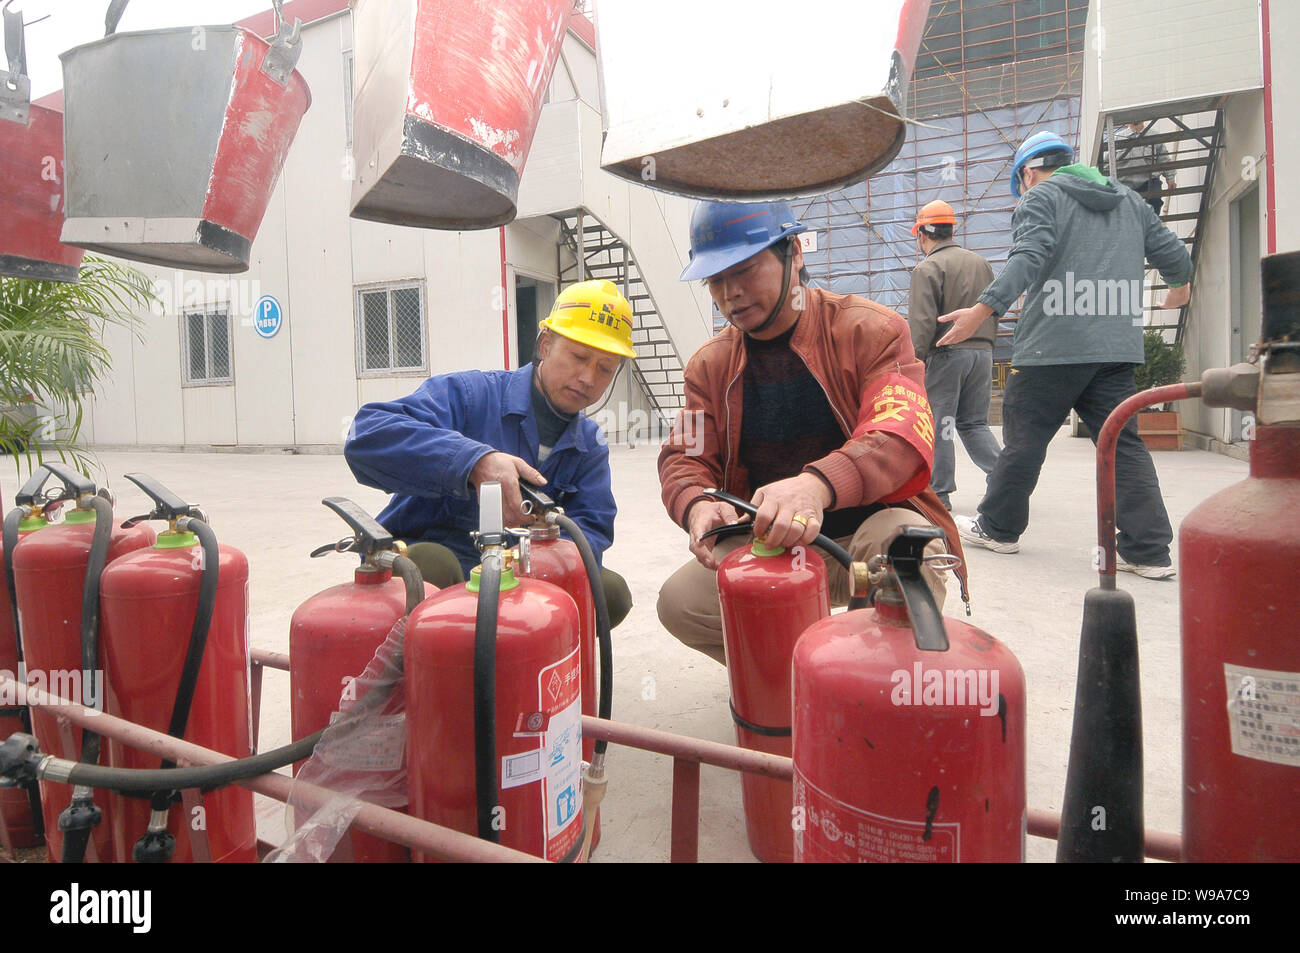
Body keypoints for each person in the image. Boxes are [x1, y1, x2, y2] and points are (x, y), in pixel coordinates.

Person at [656, 200, 967, 664]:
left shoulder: (871, 330)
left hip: (865, 538)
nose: (729, 294)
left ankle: (877, 686)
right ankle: (792, 685)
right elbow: (686, 456)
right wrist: (696, 502)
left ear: (794, 252)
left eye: (744, 270)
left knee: (907, 545)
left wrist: (815, 485)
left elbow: (899, 432)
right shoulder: (709, 365)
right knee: (681, 602)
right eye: (715, 280)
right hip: (770, 542)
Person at [937, 131, 1193, 579]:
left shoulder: (1041, 198)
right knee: (1121, 444)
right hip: (1114, 349)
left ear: (1028, 173)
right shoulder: (1130, 201)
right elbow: (1174, 255)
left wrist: (981, 312)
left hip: (1051, 347)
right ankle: (1148, 551)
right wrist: (1180, 288)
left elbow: (1027, 258)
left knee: (1025, 440)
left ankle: (998, 529)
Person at [344, 278, 635, 621]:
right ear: (545, 345)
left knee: (608, 592)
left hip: (520, 576)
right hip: (438, 565)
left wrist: (541, 560)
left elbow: (592, 530)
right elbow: (367, 433)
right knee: (430, 564)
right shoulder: (472, 396)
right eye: (579, 357)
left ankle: (533, 669)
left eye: (605, 368)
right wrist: (473, 463)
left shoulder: (589, 446)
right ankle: (428, 668)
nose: (588, 378)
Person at [906, 199, 1002, 511]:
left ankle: (939, 494)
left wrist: (913, 362)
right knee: (974, 423)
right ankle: (1006, 481)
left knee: (941, 424)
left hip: (947, 355)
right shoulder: (980, 263)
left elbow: (921, 323)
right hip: (983, 353)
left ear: (922, 234)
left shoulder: (928, 268)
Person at [1107, 121, 1176, 217]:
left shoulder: (1153, 136)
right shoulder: (1116, 139)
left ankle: (1152, 227)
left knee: (1155, 201)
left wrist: (1170, 178)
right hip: (1125, 184)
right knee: (1125, 212)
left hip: (1149, 181)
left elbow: (1163, 158)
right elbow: (1107, 164)